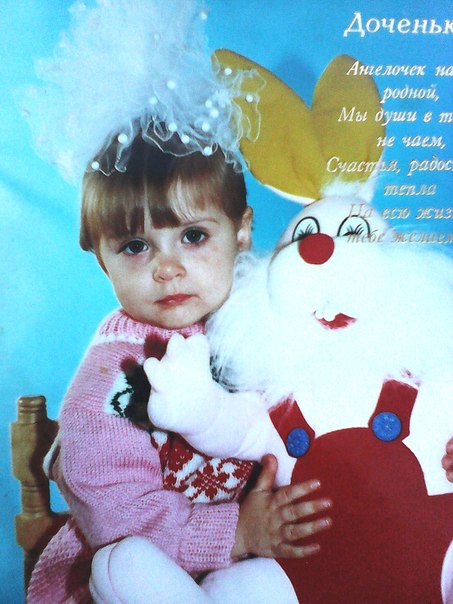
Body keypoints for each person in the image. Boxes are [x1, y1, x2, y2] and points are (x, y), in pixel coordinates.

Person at [26, 136, 333, 604]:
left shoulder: (272, 319)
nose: (167, 268)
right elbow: (113, 512)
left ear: (242, 230)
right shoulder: (114, 377)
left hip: (262, 570)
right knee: (127, 569)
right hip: (131, 576)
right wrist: (236, 532)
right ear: (102, 260)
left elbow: (347, 397)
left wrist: (437, 445)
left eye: (193, 236)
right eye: (135, 246)